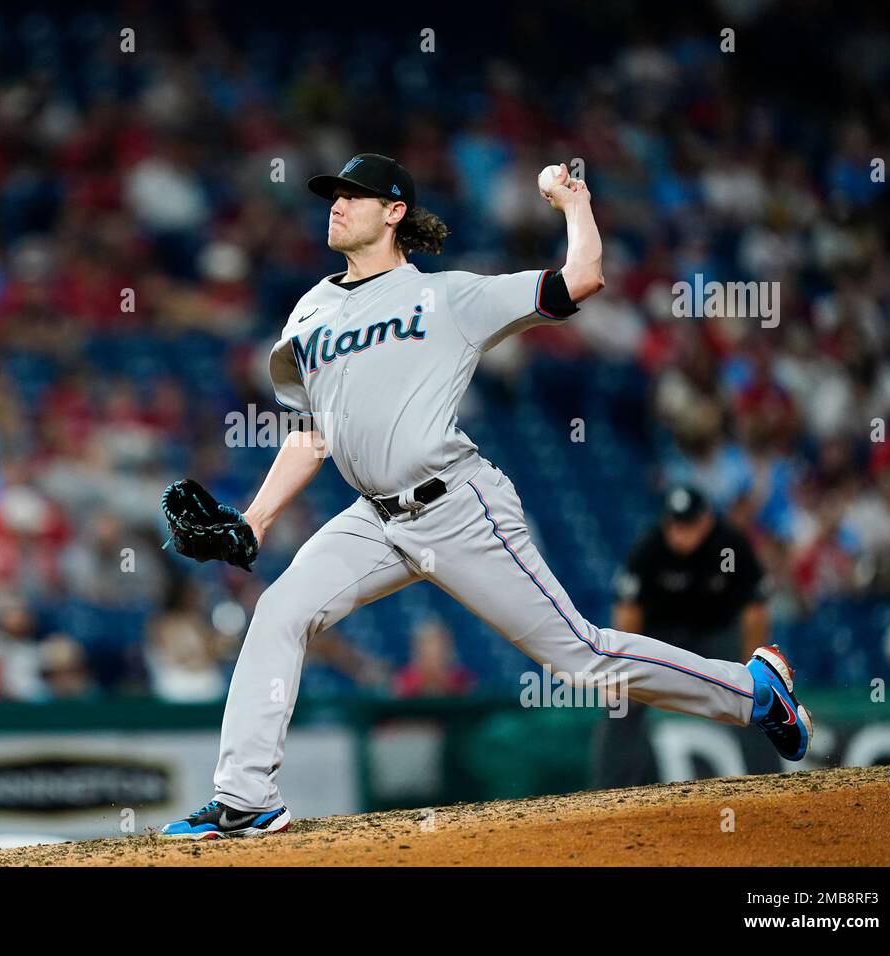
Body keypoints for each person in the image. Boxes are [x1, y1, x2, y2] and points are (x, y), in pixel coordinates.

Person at [159, 153, 811, 840]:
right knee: (278, 612)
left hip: (456, 508)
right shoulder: (310, 311)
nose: (337, 205)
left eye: (354, 195)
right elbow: (315, 432)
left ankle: (753, 691)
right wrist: (255, 521)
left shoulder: (448, 297)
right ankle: (245, 798)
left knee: (579, 657)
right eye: (333, 196)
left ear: (395, 212)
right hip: (371, 519)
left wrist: (575, 203)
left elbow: (581, 278)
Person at [591, 486, 779, 788]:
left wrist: (751, 664)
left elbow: (755, 608)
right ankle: (610, 791)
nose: (680, 533)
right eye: (675, 524)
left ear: (706, 520)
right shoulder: (650, 547)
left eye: (688, 524)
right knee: (620, 701)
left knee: (754, 694)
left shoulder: (729, 545)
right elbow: (628, 610)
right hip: (661, 637)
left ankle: (770, 783)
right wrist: (622, 670)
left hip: (716, 633)